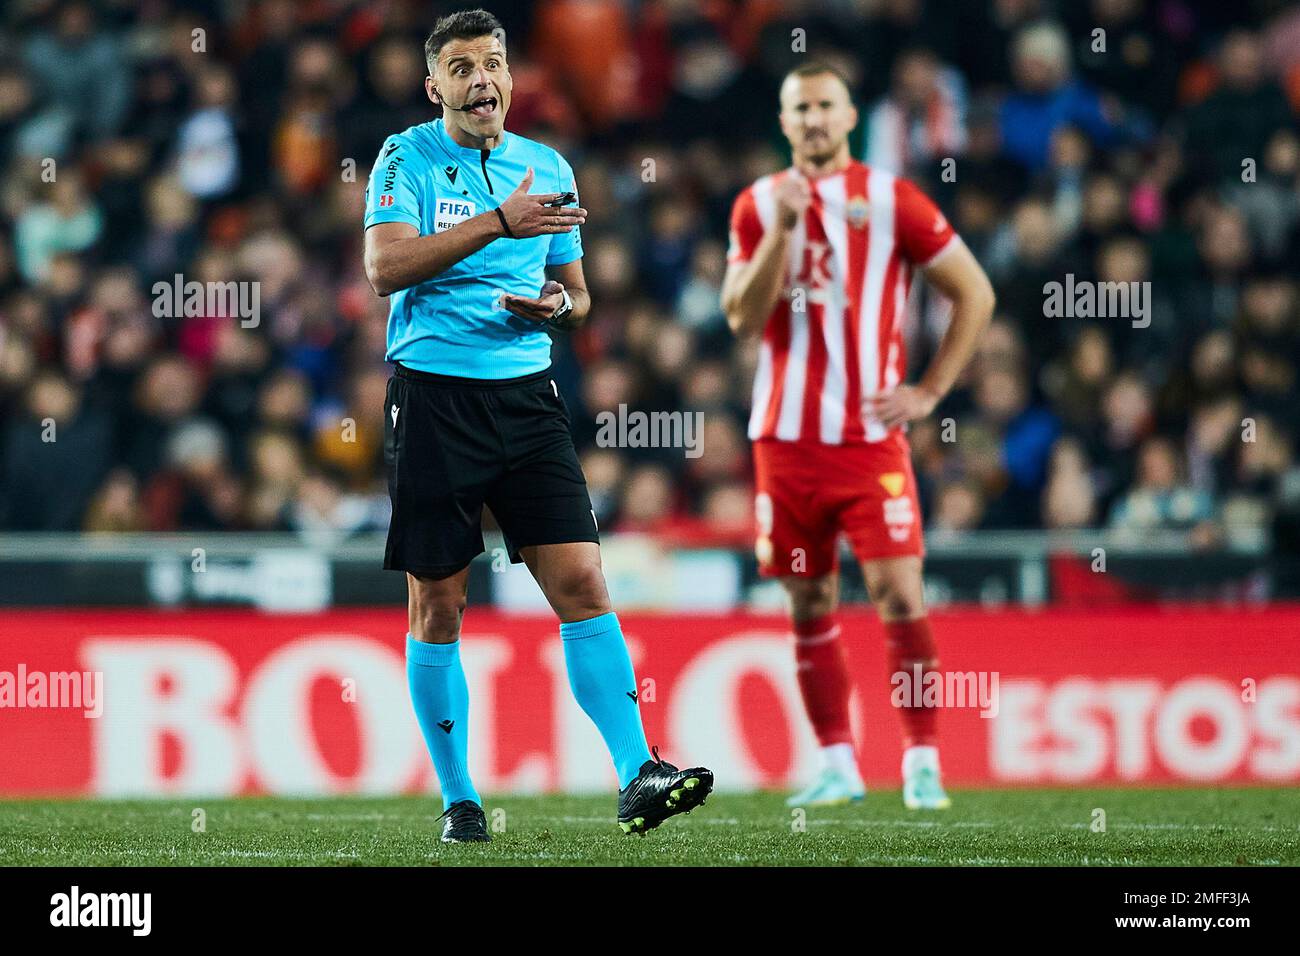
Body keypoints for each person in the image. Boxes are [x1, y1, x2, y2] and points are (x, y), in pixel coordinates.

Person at [363, 8, 712, 843]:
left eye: (492, 63)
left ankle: (637, 774)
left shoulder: (547, 163)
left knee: (585, 584)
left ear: (512, 76)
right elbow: (384, 267)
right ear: (434, 86)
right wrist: (497, 225)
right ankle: (460, 802)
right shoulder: (405, 155)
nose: (480, 79)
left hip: (527, 399)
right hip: (435, 399)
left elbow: (580, 297)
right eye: (461, 67)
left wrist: (558, 306)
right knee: (439, 603)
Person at [721, 63, 995, 809]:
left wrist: (931, 389)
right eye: (799, 107)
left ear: (849, 117)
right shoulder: (756, 204)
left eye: (825, 106)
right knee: (807, 603)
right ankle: (838, 762)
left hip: (869, 439)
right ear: (784, 121)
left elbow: (975, 290)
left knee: (899, 593)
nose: (812, 118)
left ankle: (922, 763)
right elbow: (743, 318)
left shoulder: (891, 199)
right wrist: (781, 227)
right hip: (784, 439)